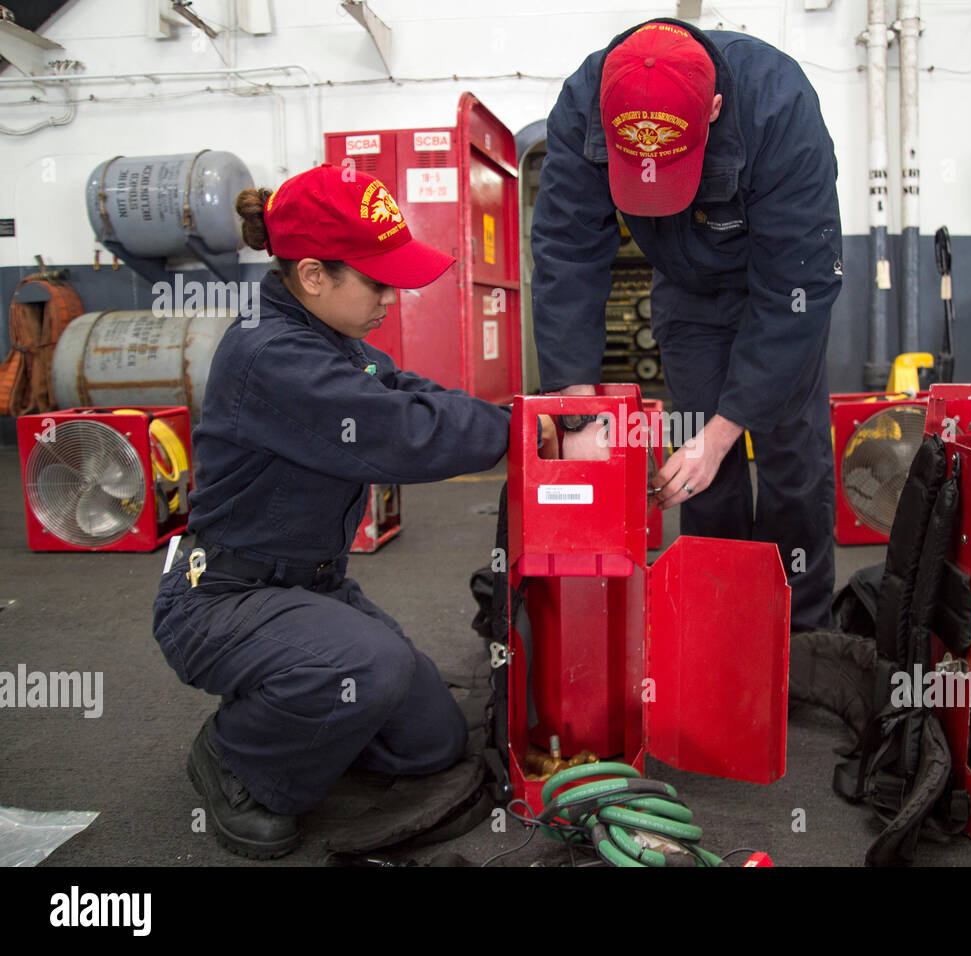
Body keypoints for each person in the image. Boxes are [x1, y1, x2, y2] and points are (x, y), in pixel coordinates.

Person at [151, 164, 550, 859]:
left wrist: (521, 416)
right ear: (312, 276)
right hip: (221, 597)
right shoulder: (271, 355)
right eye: (378, 280)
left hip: (309, 586)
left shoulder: (331, 343)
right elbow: (399, 431)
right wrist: (528, 436)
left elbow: (414, 395)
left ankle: (310, 717)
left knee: (432, 742)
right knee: (369, 668)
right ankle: (235, 759)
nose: (392, 297)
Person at [531, 18, 842, 631]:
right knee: (700, 470)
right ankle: (719, 620)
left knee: (791, 462)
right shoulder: (582, 104)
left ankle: (800, 634)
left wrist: (729, 431)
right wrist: (578, 412)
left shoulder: (778, 105)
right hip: (687, 294)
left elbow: (798, 288)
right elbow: (566, 254)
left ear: (716, 110)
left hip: (776, 289)